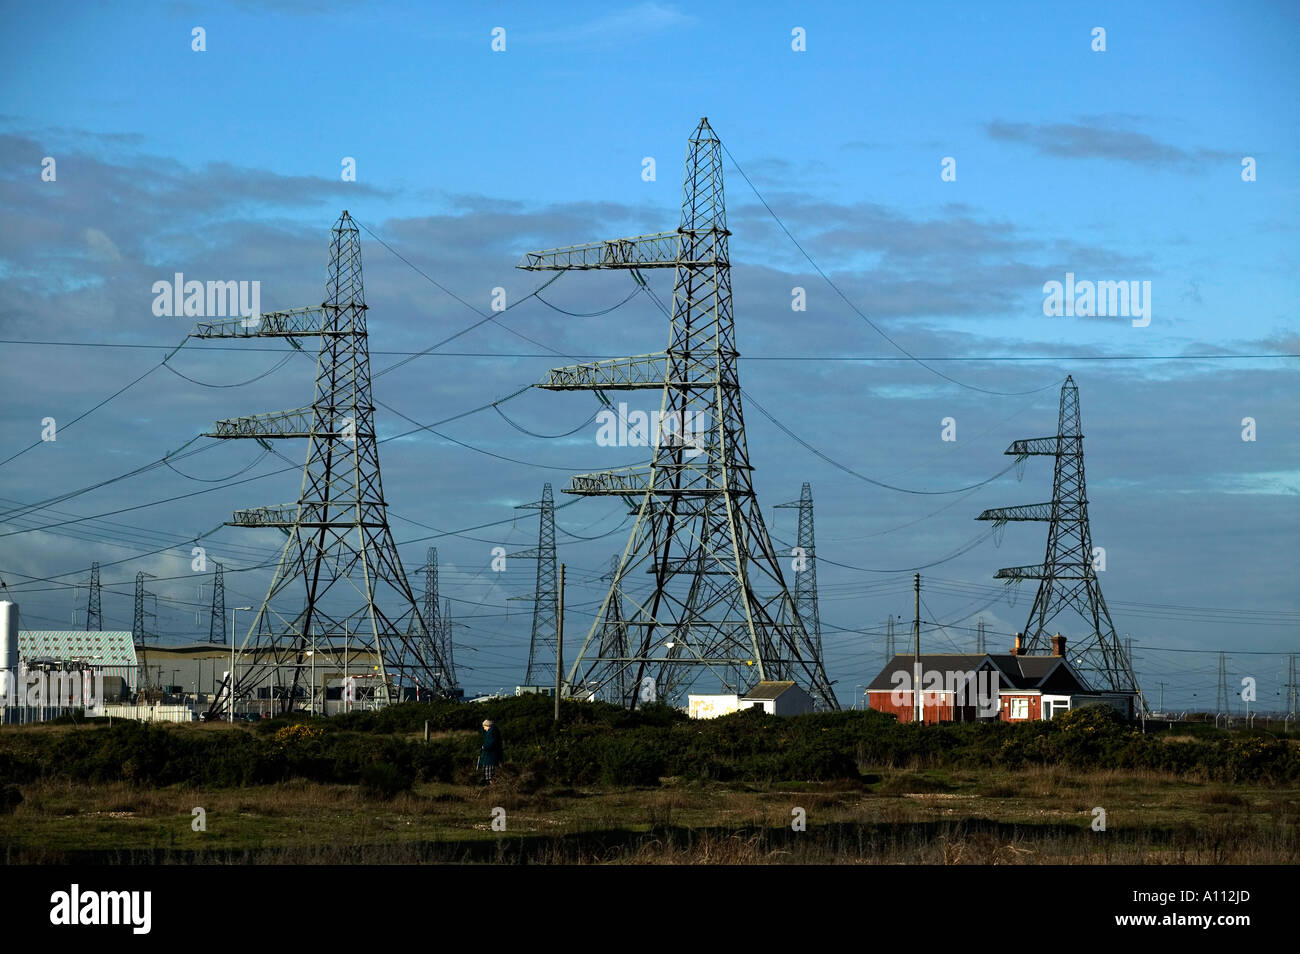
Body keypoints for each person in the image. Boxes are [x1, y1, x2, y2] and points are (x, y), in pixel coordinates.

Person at [477, 718, 504, 784]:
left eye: (484, 726)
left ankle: (494, 789)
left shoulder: (491, 732)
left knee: (490, 777)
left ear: (488, 726)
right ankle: (492, 789)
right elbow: (484, 733)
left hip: (490, 759)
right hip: (489, 758)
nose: (483, 728)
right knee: (489, 777)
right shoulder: (490, 732)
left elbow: (491, 743)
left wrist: (484, 747)